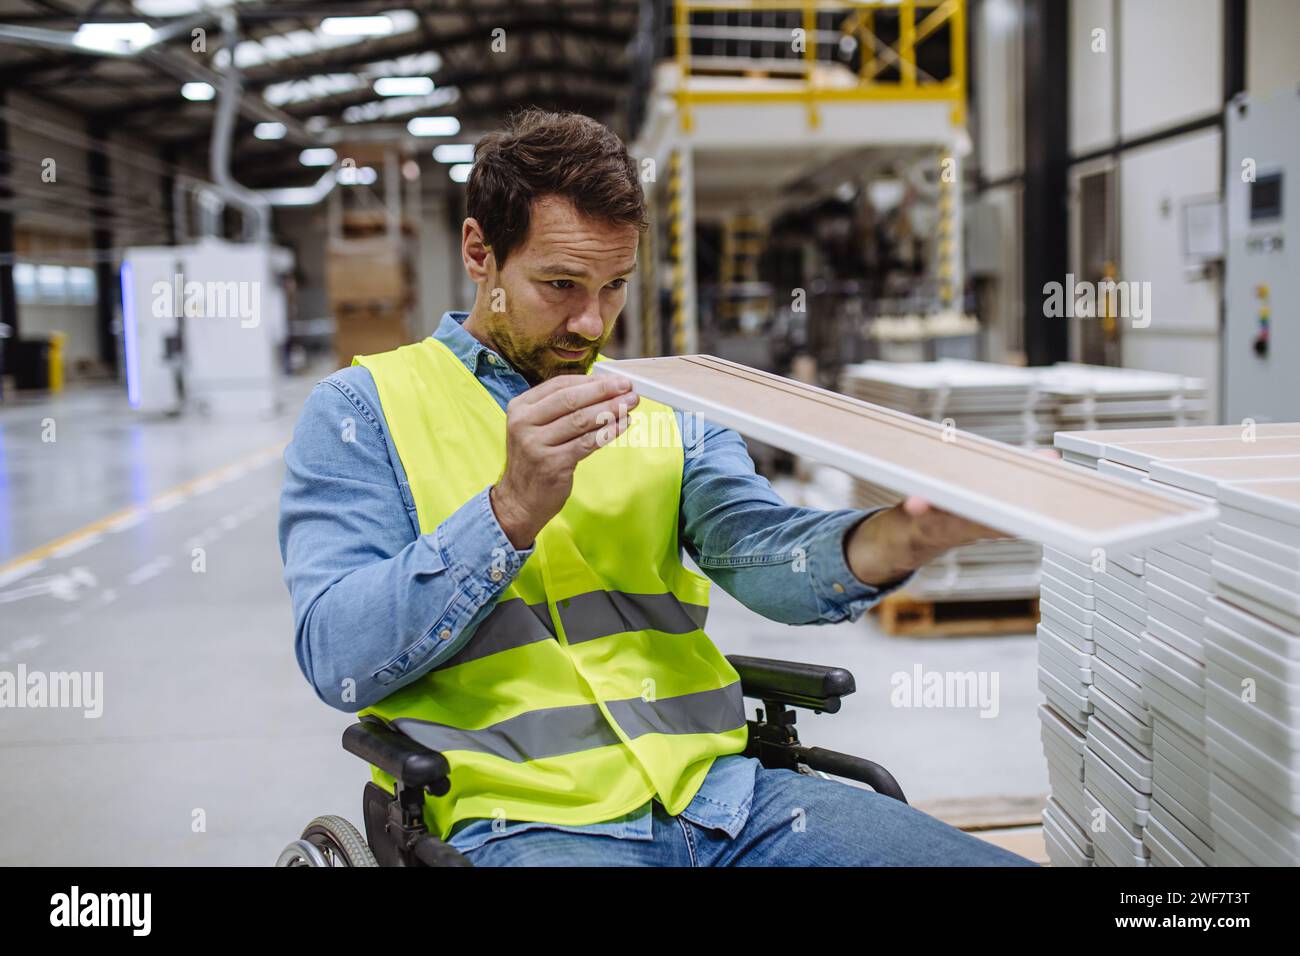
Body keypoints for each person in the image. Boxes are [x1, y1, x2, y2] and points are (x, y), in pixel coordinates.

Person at [278, 109, 1032, 867]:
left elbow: (761, 556)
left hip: (725, 799)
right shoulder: (361, 412)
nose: (591, 321)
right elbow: (339, 655)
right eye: (560, 284)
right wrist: (506, 515)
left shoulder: (662, 410)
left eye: (615, 286)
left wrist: (897, 539)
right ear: (480, 252)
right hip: (528, 823)